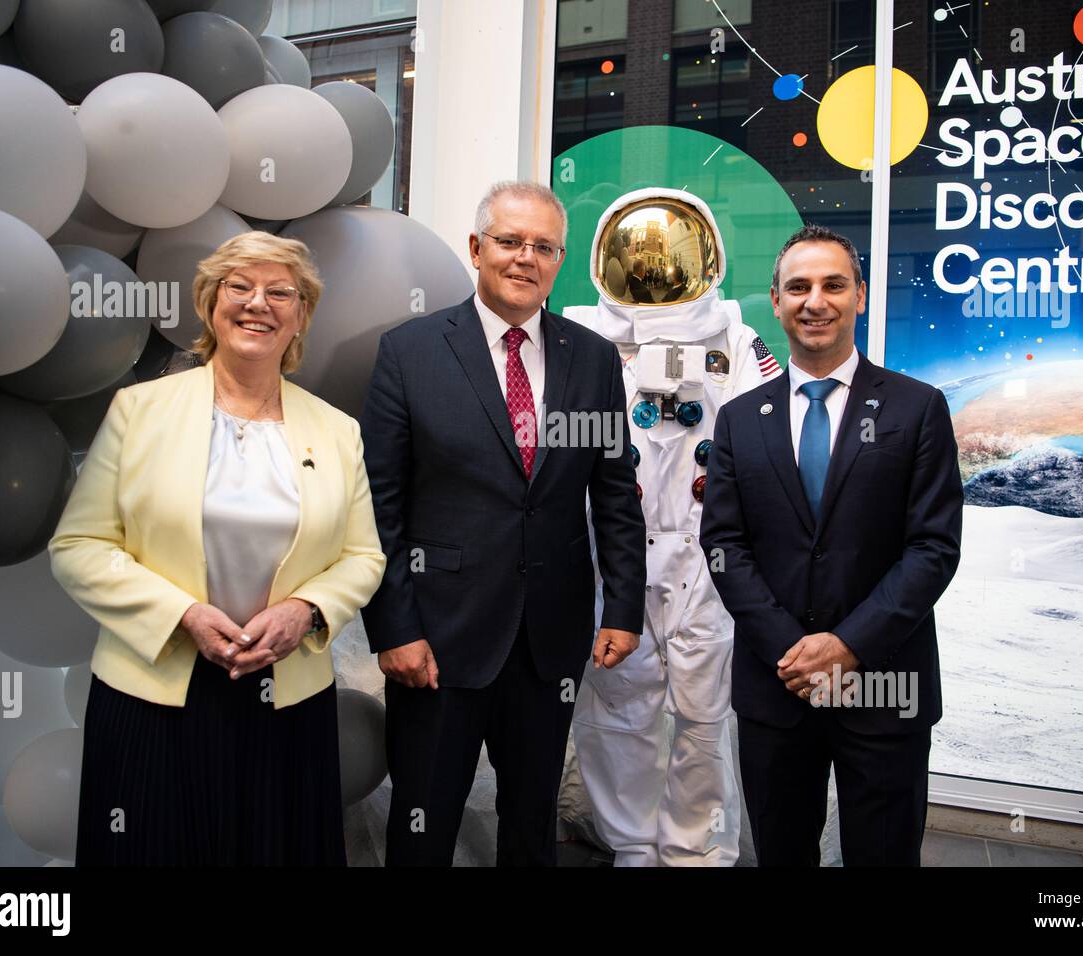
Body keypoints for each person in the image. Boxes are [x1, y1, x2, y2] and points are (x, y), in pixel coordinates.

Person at [50, 231, 387, 866]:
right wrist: (182, 616)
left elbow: (363, 556)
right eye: (240, 286)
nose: (258, 303)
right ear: (210, 304)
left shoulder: (338, 431)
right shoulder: (138, 411)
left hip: (285, 695)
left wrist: (305, 611)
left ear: (300, 315)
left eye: (279, 292)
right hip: (153, 695)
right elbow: (79, 545)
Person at [360, 180, 647, 867]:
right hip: (438, 643)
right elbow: (377, 503)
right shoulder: (411, 351)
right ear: (476, 249)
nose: (526, 258)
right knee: (424, 822)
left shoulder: (595, 359)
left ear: (560, 260)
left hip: (549, 640)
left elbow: (614, 494)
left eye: (543, 246)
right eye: (511, 241)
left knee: (530, 823)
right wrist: (394, 628)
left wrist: (625, 608)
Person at [699, 223, 963, 866]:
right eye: (798, 287)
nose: (815, 300)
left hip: (882, 685)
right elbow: (725, 544)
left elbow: (933, 547)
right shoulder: (739, 418)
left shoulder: (917, 408)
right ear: (776, 300)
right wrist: (789, 647)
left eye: (832, 284)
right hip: (777, 686)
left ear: (860, 296)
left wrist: (848, 645)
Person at [564, 188, 782, 866]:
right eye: (639, 256)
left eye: (669, 255)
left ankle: (700, 849)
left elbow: (766, 435)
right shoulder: (580, 339)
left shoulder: (737, 339)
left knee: (706, 714)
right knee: (616, 711)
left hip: (706, 560)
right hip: (614, 558)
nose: (655, 270)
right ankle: (627, 840)